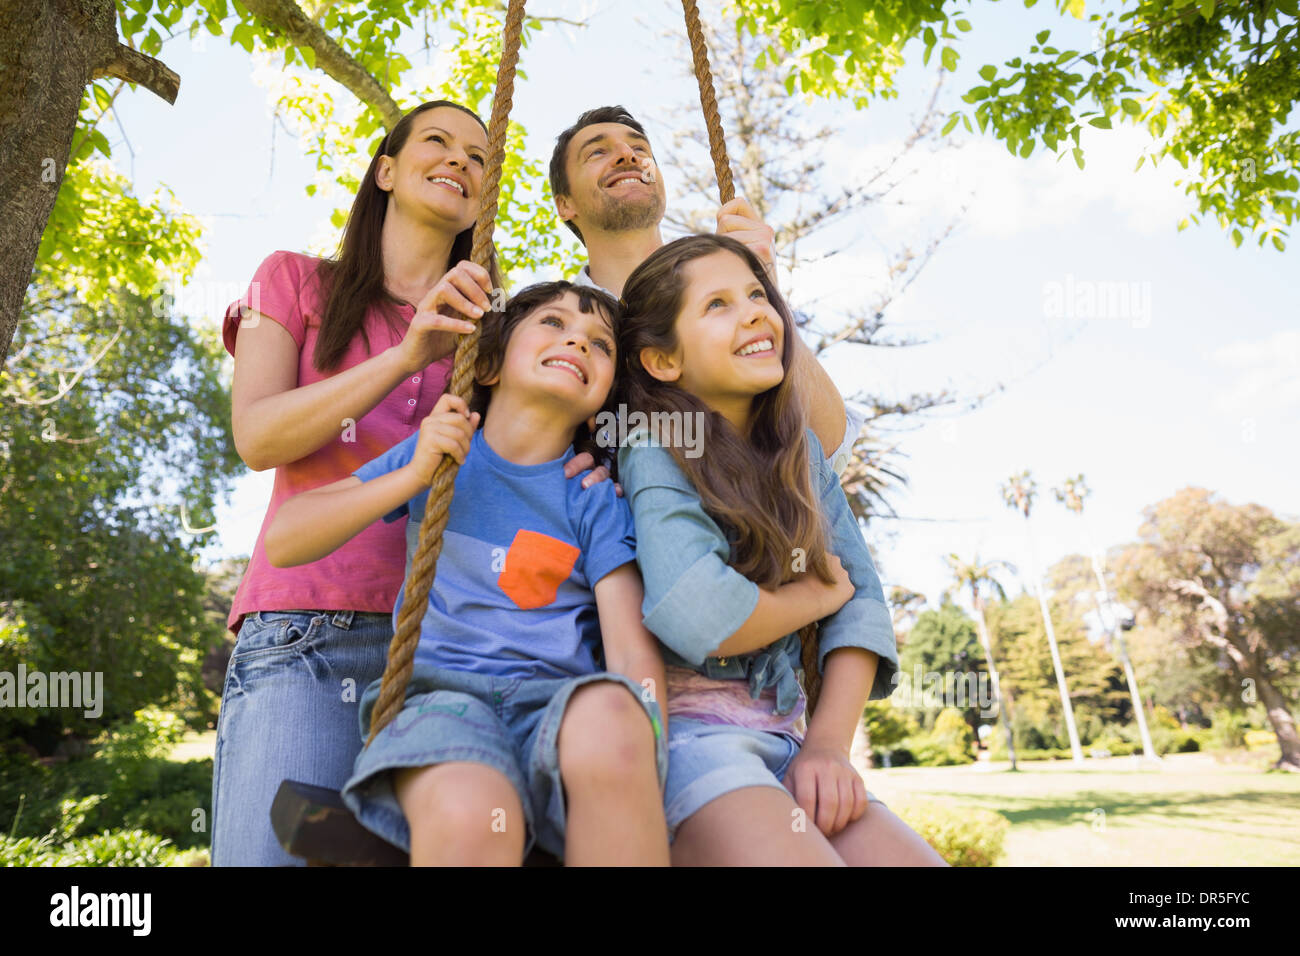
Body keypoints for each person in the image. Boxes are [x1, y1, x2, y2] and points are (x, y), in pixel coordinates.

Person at [213, 101, 612, 867]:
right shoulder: (294, 281)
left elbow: (531, 451)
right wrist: (404, 356)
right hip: (309, 631)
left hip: (454, 655)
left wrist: (584, 459)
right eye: (438, 142)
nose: (461, 160)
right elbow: (259, 437)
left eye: (480, 156)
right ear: (385, 170)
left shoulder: (496, 336)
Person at [265, 281, 669, 866]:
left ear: (605, 396)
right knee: (471, 813)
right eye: (554, 324)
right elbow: (286, 539)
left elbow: (633, 657)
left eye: (600, 345)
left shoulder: (593, 497)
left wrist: (649, 759)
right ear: (488, 364)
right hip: (440, 703)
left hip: (558, 713)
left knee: (615, 717)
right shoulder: (439, 454)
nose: (578, 342)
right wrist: (412, 476)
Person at [615, 234, 946, 866]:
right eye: (717, 304)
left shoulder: (804, 459)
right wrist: (815, 594)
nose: (755, 312)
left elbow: (863, 610)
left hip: (790, 739)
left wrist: (826, 747)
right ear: (661, 360)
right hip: (694, 740)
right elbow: (701, 615)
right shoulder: (655, 447)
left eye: (757, 294)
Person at [548, 105, 869, 476]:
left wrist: (765, 288)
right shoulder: (552, 328)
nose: (627, 155)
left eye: (640, 149)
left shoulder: (737, 296)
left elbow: (828, 453)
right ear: (564, 204)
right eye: (597, 152)